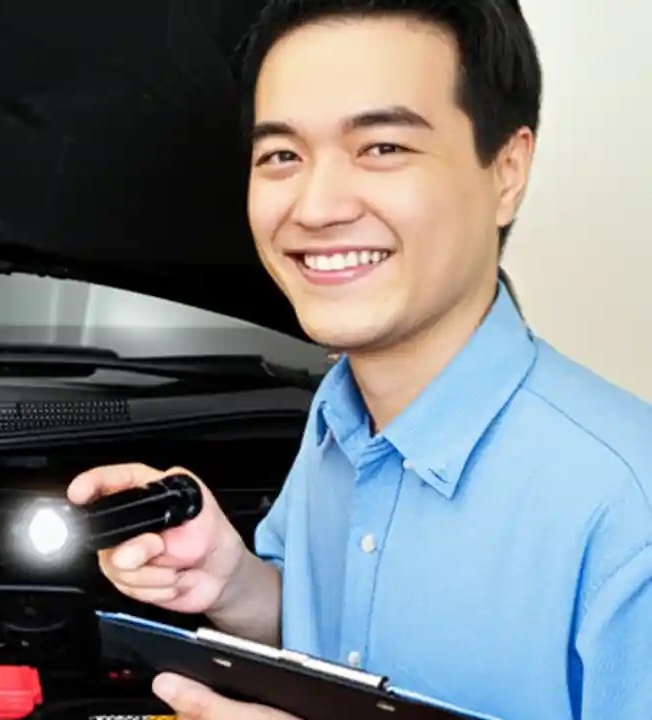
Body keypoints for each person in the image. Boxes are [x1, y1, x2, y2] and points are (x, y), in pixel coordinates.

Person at [67, 1, 652, 718]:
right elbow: (344, 647)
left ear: (506, 170)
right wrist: (235, 586)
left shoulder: (630, 509)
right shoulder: (339, 416)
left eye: (382, 147)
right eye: (281, 155)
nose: (315, 207)